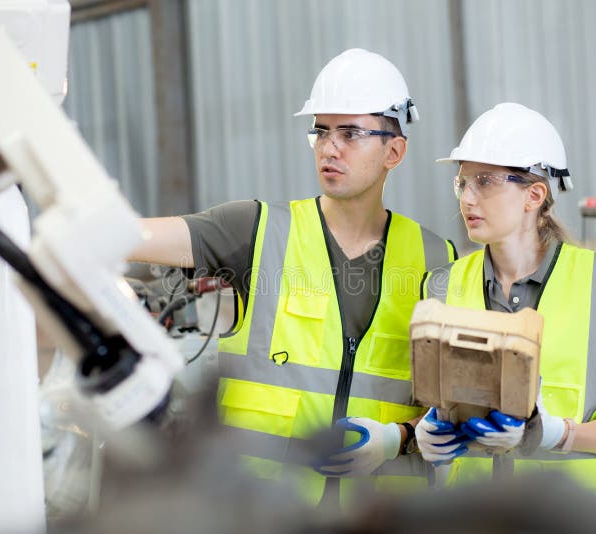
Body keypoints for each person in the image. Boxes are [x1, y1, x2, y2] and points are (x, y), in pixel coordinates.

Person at [129, 48, 457, 506]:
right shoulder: (254, 229)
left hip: (378, 513)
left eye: (351, 133)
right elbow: (131, 236)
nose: (330, 147)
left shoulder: (438, 258)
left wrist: (397, 438)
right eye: (321, 132)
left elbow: (451, 408)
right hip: (262, 511)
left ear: (394, 151)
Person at [415, 102, 596, 503]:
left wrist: (555, 434)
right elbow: (436, 412)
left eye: (484, 181)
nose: (467, 198)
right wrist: (425, 436)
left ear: (534, 194)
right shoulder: (441, 286)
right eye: (462, 182)